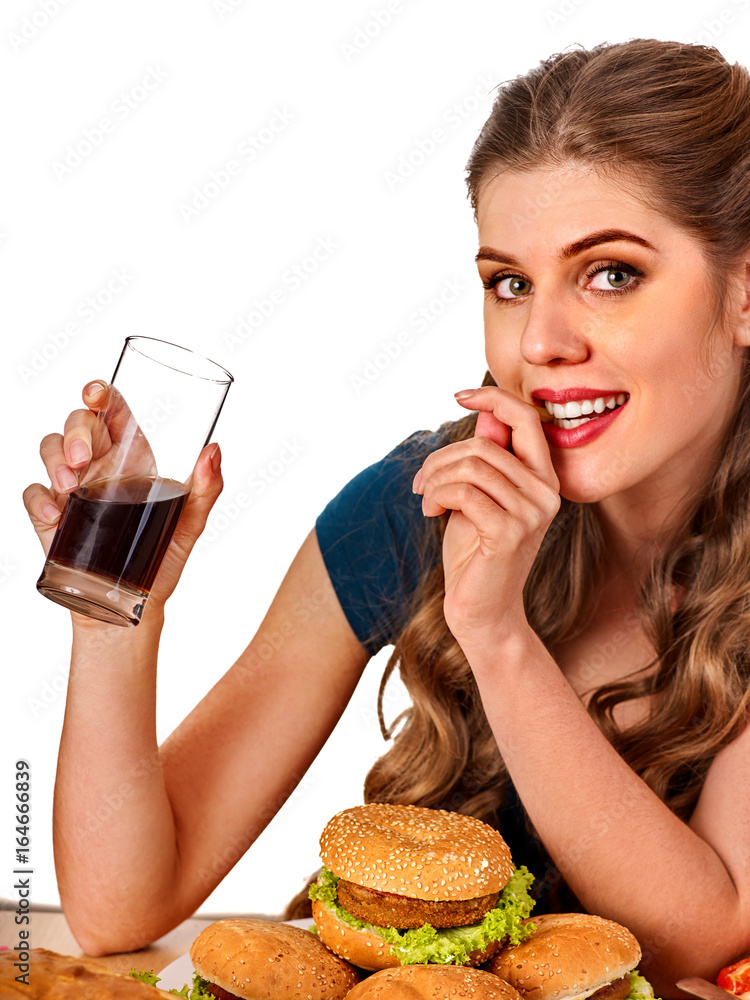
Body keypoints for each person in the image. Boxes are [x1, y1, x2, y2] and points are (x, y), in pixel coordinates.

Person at [23, 38, 750, 996]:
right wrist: (115, 611)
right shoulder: (419, 504)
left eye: (611, 273)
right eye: (510, 282)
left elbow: (702, 937)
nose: (539, 342)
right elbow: (120, 905)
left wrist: (497, 637)